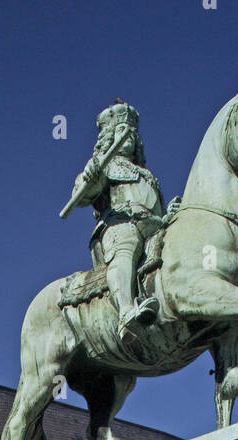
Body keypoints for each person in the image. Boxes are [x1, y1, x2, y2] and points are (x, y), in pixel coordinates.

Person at [66, 102, 165, 339]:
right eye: (121, 130)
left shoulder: (147, 175)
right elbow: (83, 195)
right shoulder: (104, 166)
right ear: (110, 137)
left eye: (131, 131)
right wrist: (92, 177)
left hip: (153, 225)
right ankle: (126, 312)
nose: (128, 135)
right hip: (119, 225)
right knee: (126, 250)